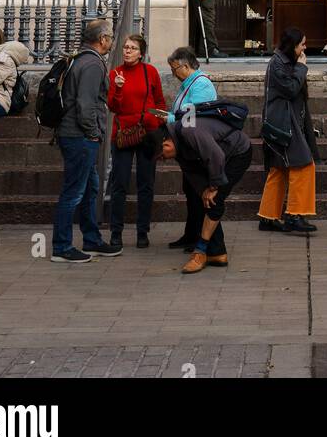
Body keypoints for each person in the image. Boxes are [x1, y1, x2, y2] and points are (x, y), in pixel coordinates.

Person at [51, 18, 120, 264]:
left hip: (74, 134)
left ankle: (92, 239)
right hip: (79, 136)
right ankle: (61, 247)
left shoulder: (79, 59)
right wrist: (92, 132)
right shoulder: (92, 63)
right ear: (102, 39)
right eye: (110, 37)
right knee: (74, 192)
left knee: (90, 188)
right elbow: (86, 104)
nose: (112, 41)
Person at [162, 104, 253, 273]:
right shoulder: (178, 143)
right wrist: (203, 189)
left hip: (238, 153)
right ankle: (217, 252)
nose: (164, 160)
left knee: (215, 199)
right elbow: (190, 171)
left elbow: (215, 156)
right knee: (202, 198)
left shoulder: (189, 132)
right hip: (221, 157)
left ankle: (201, 251)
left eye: (161, 156)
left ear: (166, 144)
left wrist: (213, 186)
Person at [106, 33, 167, 251]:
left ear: (141, 53)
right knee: (119, 183)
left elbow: (159, 100)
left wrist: (159, 124)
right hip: (123, 134)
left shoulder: (149, 71)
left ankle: (143, 231)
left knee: (146, 184)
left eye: (132, 48)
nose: (127, 51)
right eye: (125, 48)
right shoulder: (116, 74)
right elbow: (113, 106)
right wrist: (119, 88)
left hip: (147, 132)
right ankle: (116, 232)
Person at [258, 27, 319, 234]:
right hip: (283, 124)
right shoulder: (278, 64)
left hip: (286, 122)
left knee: (279, 169)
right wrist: (302, 68)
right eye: (302, 44)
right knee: (304, 165)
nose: (305, 48)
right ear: (293, 46)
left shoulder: (283, 62)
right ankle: (294, 215)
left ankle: (268, 217)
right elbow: (291, 89)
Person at [164, 46, 219, 251]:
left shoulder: (200, 84)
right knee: (190, 191)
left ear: (185, 66)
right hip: (188, 148)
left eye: (174, 69)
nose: (173, 73)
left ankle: (199, 236)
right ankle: (191, 234)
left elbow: (193, 117)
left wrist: (168, 118)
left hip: (197, 148)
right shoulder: (188, 84)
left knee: (197, 193)